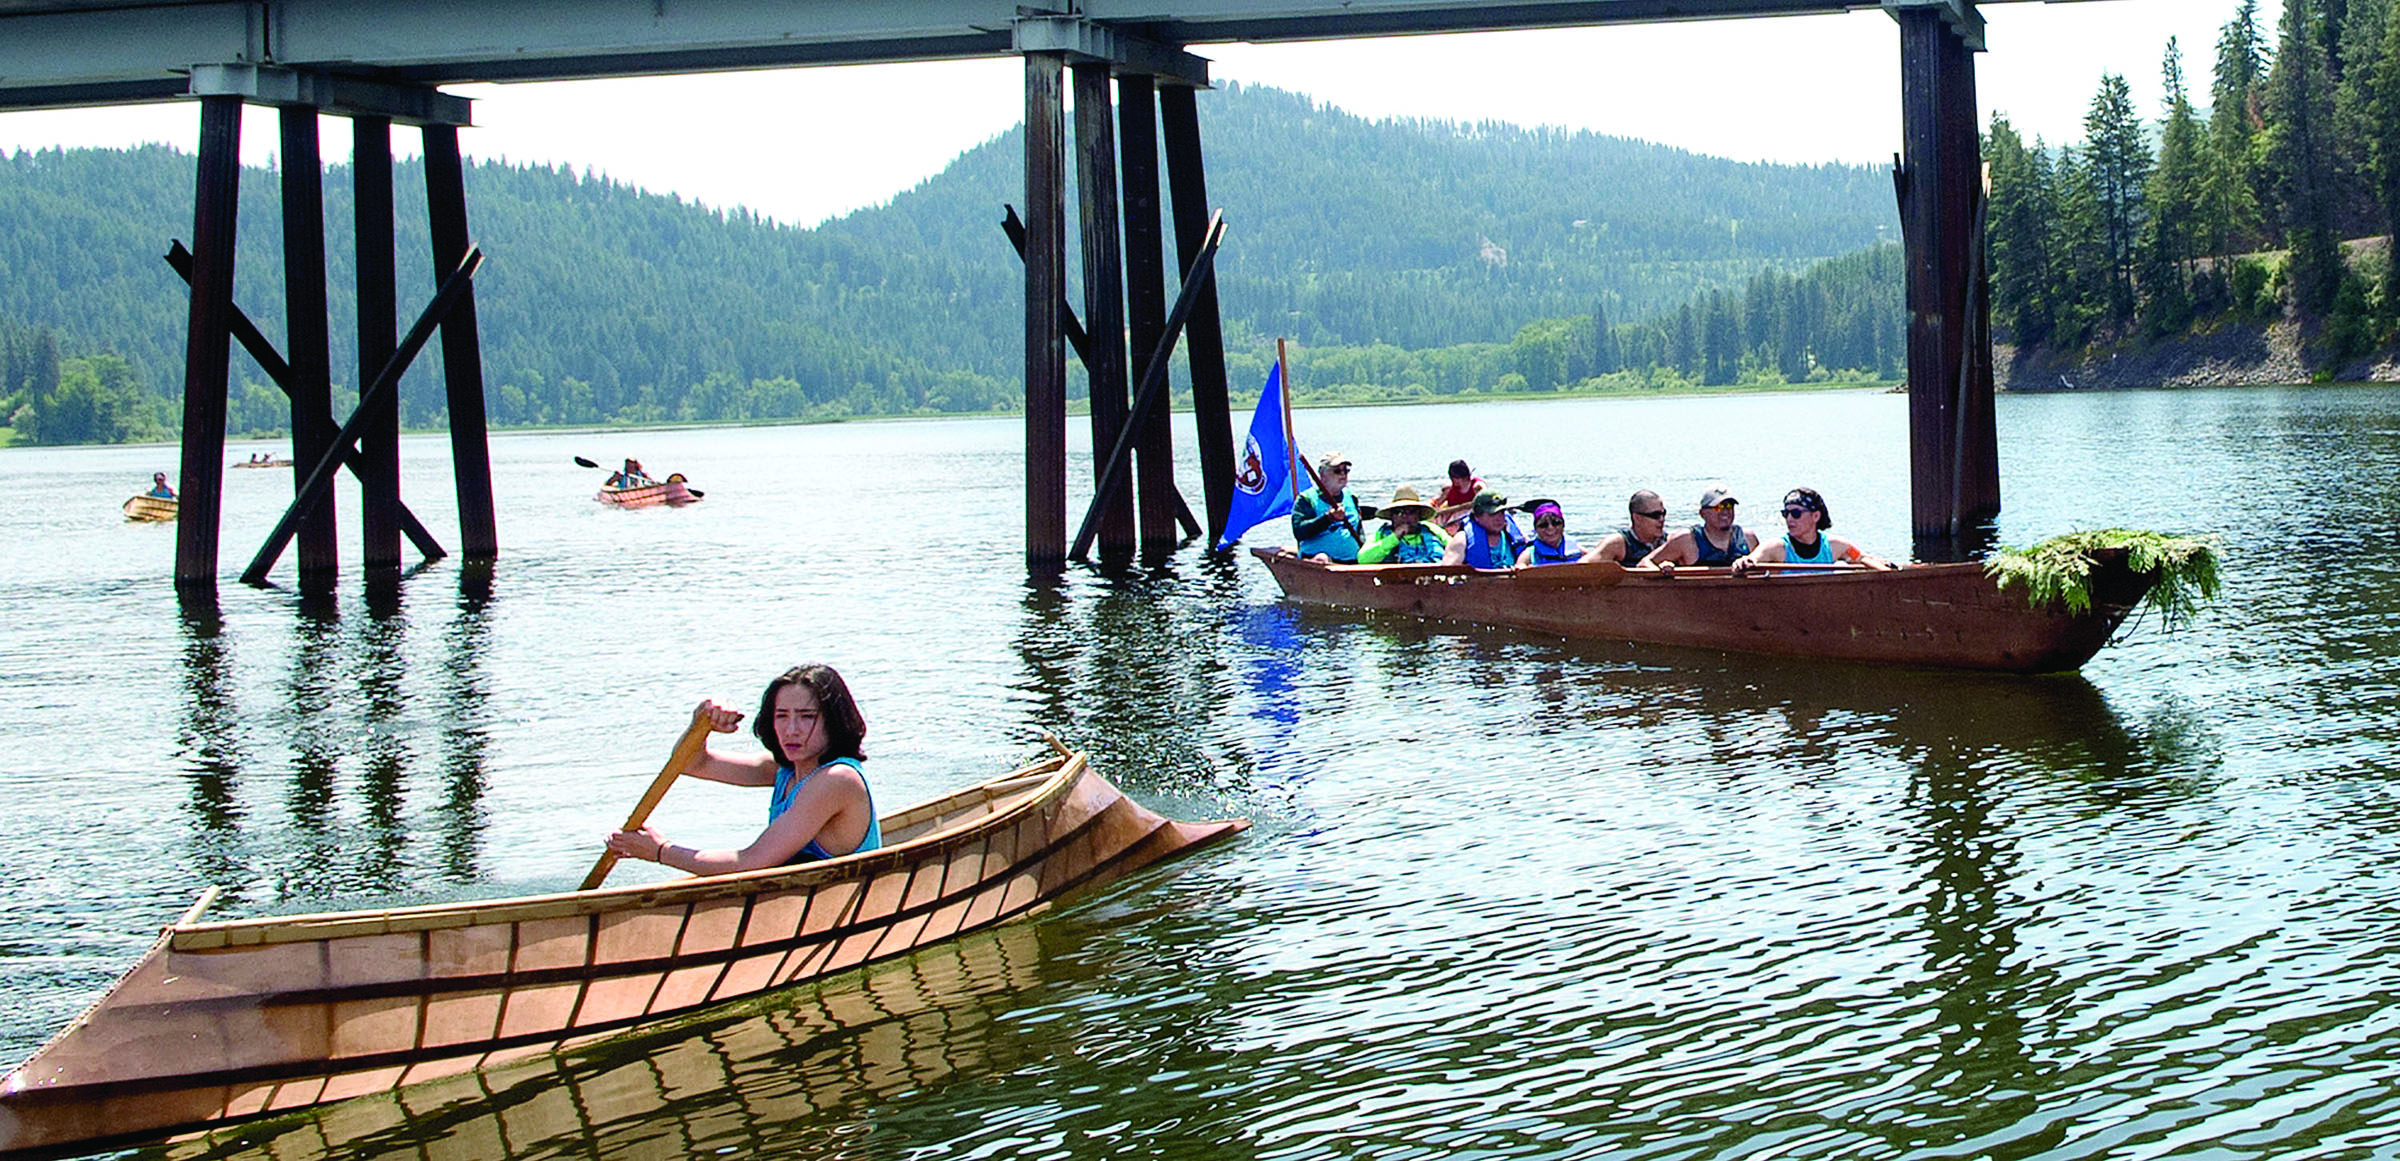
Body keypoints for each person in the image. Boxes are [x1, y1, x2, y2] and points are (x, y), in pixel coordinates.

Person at [605, 664, 881, 875]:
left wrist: (661, 852)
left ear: (834, 721)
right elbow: (692, 763)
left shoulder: (837, 780)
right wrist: (701, 723)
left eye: (807, 717)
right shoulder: (782, 770)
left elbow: (752, 862)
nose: (792, 730)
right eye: (781, 716)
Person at [1732, 487, 1898, 575]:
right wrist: (1743, 563)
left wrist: (1887, 572)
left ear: (1815, 516)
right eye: (1786, 513)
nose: (1789, 519)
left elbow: (1860, 557)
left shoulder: (1836, 546)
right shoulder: (1775, 548)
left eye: (1796, 514)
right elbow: (1752, 559)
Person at [1640, 488, 1752, 572]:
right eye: (1718, 507)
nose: (1725, 512)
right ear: (1702, 513)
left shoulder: (1748, 538)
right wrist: (1662, 571)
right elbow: (1644, 563)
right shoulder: (1686, 540)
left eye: (1729, 506)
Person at [1290, 451, 1364, 563]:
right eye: (1337, 471)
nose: (1343, 475)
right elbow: (1299, 532)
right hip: (1320, 561)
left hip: (1352, 561)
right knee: (1322, 558)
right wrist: (1328, 518)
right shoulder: (1307, 500)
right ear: (1323, 474)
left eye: (1346, 470)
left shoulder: (1351, 498)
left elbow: (1359, 529)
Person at [1357, 485, 1449, 564]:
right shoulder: (1382, 535)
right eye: (1399, 512)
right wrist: (1394, 538)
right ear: (1392, 516)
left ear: (1418, 514)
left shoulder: (1433, 530)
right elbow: (1363, 559)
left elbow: (1456, 549)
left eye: (1411, 511)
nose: (1405, 516)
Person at [1580, 490, 1671, 565]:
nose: (1662, 519)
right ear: (1637, 518)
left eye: (1663, 514)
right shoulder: (1619, 543)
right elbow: (1584, 567)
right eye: (1655, 515)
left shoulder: (1669, 542)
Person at [1444, 490, 1528, 568]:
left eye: (1501, 513)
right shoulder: (1461, 540)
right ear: (1477, 516)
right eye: (1492, 514)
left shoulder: (1517, 537)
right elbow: (1447, 572)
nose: (1499, 518)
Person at [1513, 499, 1585, 566]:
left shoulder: (1577, 548)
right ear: (1536, 529)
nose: (1550, 528)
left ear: (1563, 525)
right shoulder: (1529, 555)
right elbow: (1519, 569)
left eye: (1556, 523)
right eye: (1543, 525)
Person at [1433, 459, 1484, 531]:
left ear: (1466, 477)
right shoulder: (1448, 488)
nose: (1454, 480)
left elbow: (1486, 501)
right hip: (1452, 522)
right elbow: (1435, 502)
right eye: (1451, 477)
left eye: (1456, 478)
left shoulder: (1477, 487)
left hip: (1474, 521)